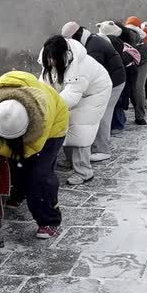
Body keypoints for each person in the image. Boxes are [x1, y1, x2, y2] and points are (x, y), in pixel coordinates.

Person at [0, 70, 69, 240]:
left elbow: (30, 150)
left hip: (54, 129)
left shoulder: (42, 117)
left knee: (39, 175)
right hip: (16, 123)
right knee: (16, 165)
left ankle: (50, 219)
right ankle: (18, 193)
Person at [38, 35, 111, 186]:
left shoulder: (80, 66)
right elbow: (44, 84)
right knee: (64, 123)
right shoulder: (52, 58)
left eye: (53, 58)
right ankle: (71, 160)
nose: (50, 62)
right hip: (77, 92)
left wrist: (49, 105)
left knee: (80, 128)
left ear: (62, 55)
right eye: (48, 58)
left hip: (94, 93)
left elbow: (71, 97)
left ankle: (84, 172)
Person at [61, 21, 125, 163]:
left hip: (113, 83)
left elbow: (90, 76)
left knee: (101, 115)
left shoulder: (93, 49)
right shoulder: (90, 41)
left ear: (76, 37)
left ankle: (103, 150)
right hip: (109, 79)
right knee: (95, 114)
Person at [120, 19, 147, 126]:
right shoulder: (115, 36)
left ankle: (140, 116)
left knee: (137, 87)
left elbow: (129, 54)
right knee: (128, 86)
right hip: (131, 59)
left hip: (143, 60)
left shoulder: (130, 36)